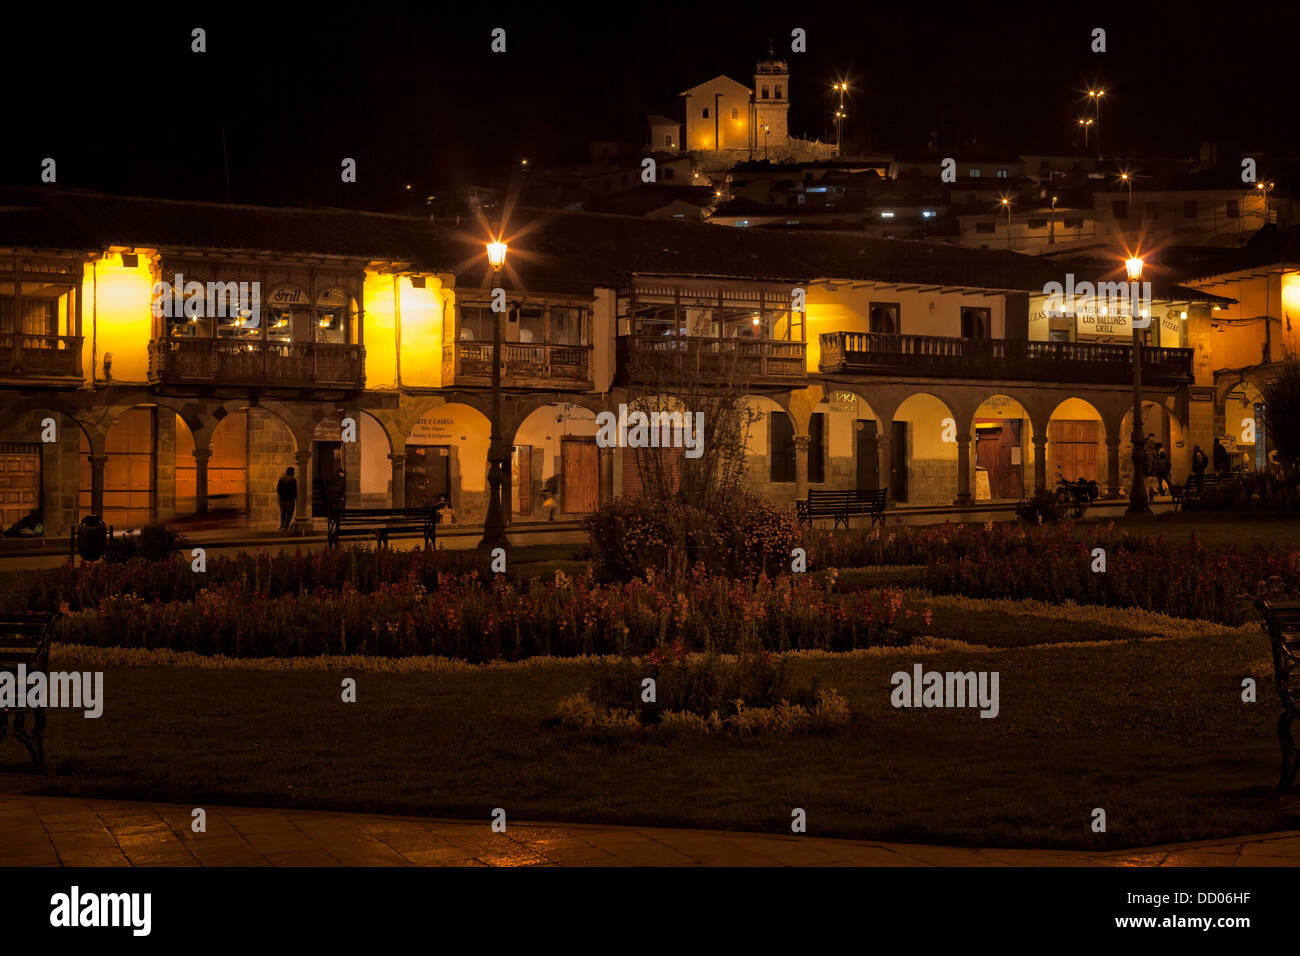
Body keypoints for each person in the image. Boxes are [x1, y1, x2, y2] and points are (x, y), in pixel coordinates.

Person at [276, 466, 297, 531]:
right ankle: (286, 526)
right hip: (290, 500)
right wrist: (294, 498)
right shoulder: (292, 480)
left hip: (282, 499)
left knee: (283, 513)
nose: (294, 473)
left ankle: (282, 525)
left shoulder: (281, 479)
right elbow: (294, 491)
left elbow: (278, 489)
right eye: (293, 472)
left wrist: (281, 496)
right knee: (289, 513)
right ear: (291, 472)